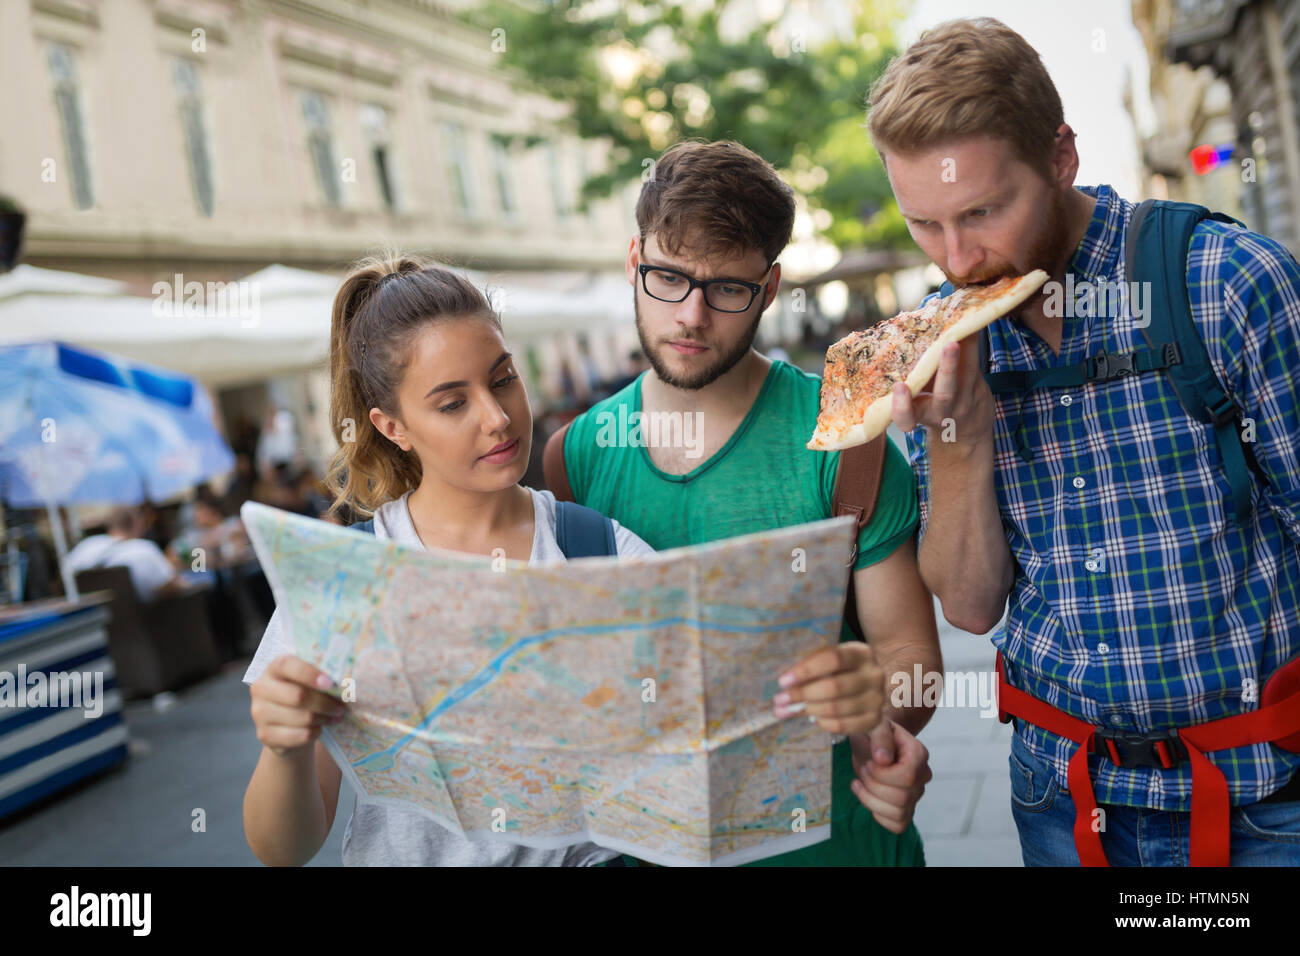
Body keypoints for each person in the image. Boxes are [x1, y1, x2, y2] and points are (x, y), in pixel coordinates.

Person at [875, 17, 1300, 866]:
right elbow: (968, 605)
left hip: (1259, 796)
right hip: (1061, 797)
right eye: (924, 225)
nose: (957, 260)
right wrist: (960, 438)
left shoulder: (1227, 284)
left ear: (1061, 156)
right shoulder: (934, 345)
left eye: (983, 213)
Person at [553, 139, 941, 866]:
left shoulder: (846, 441)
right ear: (634, 262)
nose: (693, 316)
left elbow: (913, 661)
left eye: (726, 288)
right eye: (669, 277)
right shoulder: (573, 457)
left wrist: (875, 699)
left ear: (768, 289)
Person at [240, 254, 665, 867]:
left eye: (502, 380)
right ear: (392, 426)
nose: (497, 419)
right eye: (451, 404)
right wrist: (283, 749)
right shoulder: (342, 582)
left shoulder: (601, 552)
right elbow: (280, 851)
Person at [65, 506, 189, 603]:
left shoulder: (84, 547)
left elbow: (64, 581)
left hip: (96, 626)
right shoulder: (143, 549)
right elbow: (172, 587)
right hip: (145, 626)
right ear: (138, 523)